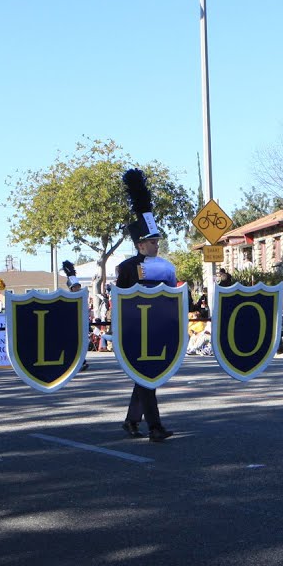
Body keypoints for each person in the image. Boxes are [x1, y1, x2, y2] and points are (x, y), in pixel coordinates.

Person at [115, 169, 175, 442]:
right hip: (137, 329)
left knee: (144, 376)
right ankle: (154, 427)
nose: (156, 246)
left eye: (157, 241)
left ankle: (131, 421)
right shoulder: (127, 268)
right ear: (140, 245)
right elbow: (122, 299)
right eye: (152, 242)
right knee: (146, 376)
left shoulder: (166, 267)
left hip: (159, 328)